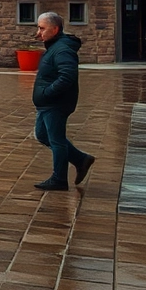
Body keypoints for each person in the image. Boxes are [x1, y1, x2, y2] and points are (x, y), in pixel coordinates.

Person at [31, 11, 95, 190]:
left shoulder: (62, 49)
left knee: (56, 140)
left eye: (42, 28)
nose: (38, 33)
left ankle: (59, 179)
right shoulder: (54, 46)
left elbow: (67, 76)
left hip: (55, 103)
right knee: (43, 135)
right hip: (47, 103)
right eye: (38, 28)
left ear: (55, 29)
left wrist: (48, 92)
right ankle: (81, 159)